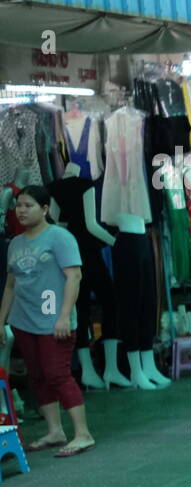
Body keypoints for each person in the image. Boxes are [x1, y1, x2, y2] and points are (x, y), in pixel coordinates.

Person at [0, 185, 94, 457]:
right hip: (24, 320)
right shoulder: (15, 243)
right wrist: (1, 321)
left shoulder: (59, 237)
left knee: (58, 374)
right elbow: (10, 285)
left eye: (28, 205)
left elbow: (73, 277)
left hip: (55, 321)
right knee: (38, 377)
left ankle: (82, 433)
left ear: (44, 209)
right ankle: (55, 431)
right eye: (18, 205)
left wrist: (64, 316)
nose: (22, 210)